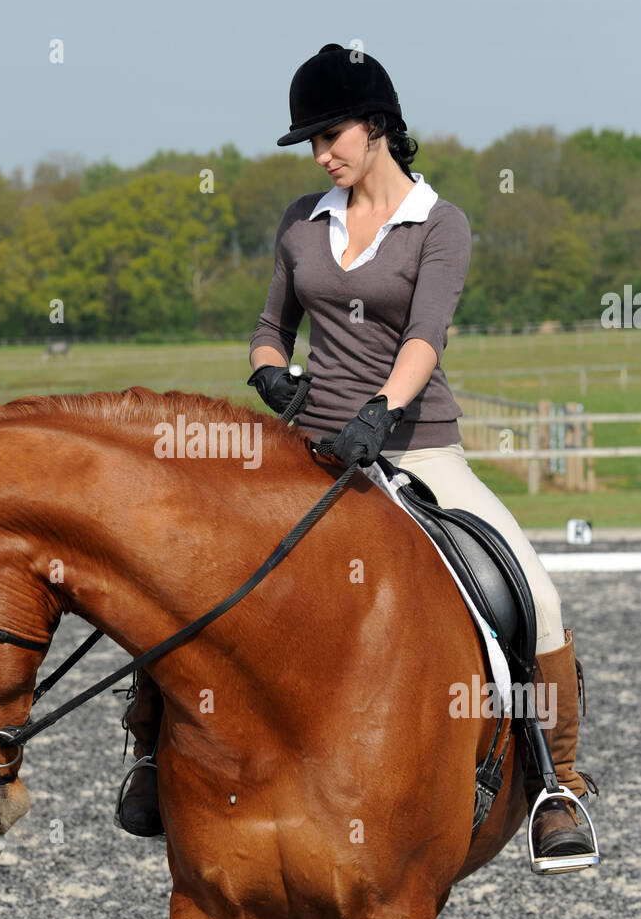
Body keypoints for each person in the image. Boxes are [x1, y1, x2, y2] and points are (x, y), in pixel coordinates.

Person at [117, 42, 596, 862]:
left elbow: (423, 337)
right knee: (183, 568)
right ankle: (153, 752)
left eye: (329, 135)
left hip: (417, 450)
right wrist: (273, 380)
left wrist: (381, 410)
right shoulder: (302, 222)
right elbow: (271, 331)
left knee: (538, 598)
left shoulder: (438, 225)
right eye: (309, 141)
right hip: (304, 451)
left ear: (376, 127)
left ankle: (559, 784)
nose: (319, 154)